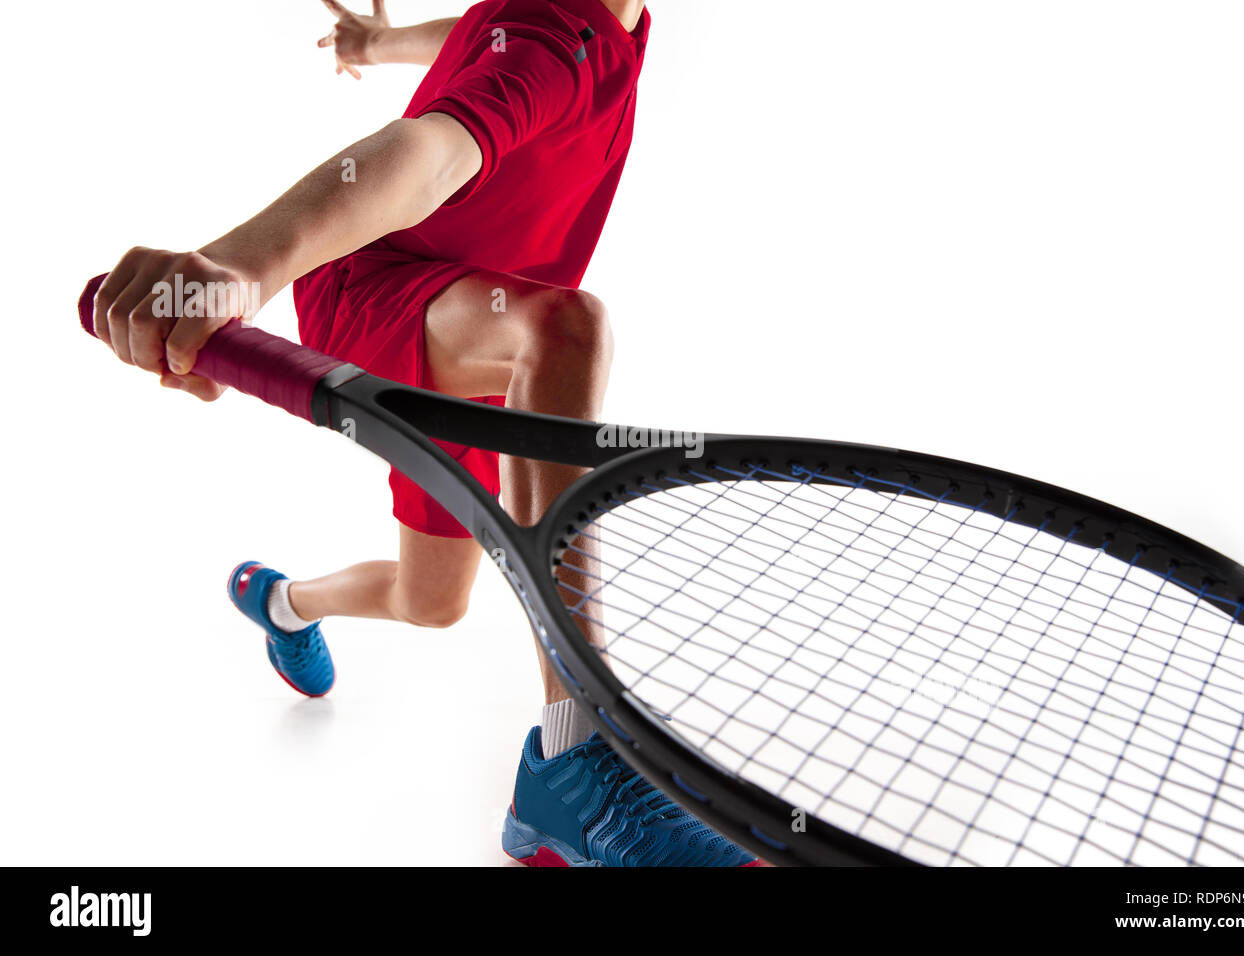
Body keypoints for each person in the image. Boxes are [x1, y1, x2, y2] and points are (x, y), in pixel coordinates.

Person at [89, 0, 757, 867]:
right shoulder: (562, 28)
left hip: (481, 343)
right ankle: (580, 752)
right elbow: (432, 153)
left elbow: (472, 39)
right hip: (387, 290)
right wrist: (245, 264)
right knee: (567, 329)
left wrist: (378, 42)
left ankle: (282, 603)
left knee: (431, 600)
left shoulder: (607, 28)